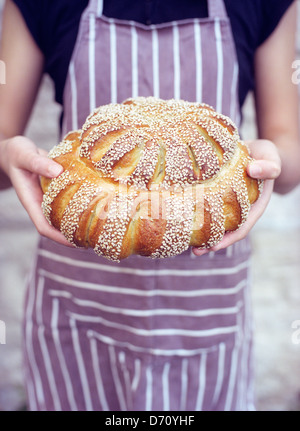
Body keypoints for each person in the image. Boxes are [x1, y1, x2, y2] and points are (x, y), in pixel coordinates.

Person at [0, 0, 299, 411]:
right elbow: (4, 137)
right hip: (75, 310)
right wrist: (7, 155)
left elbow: (288, 144)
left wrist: (272, 160)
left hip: (206, 309)